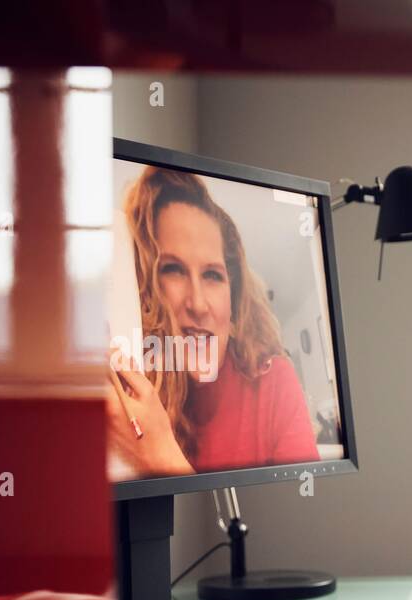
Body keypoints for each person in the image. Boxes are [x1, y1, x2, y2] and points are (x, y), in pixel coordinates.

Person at [106, 166, 320, 477]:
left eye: (212, 275)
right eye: (173, 270)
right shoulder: (129, 394)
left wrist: (159, 455)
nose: (198, 303)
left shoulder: (273, 383)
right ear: (146, 290)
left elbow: (303, 517)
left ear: (234, 304)